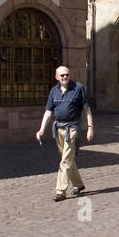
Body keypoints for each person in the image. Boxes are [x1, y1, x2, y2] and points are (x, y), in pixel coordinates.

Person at [35, 65, 93, 202]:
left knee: (65, 160)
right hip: (58, 129)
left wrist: (90, 127)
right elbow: (49, 112)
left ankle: (60, 191)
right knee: (68, 158)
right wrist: (42, 129)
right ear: (57, 77)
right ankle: (78, 184)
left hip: (71, 128)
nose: (65, 77)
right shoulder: (54, 91)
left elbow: (87, 110)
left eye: (67, 74)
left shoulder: (78, 88)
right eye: (62, 75)